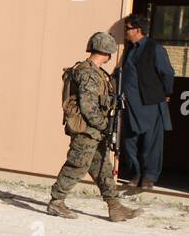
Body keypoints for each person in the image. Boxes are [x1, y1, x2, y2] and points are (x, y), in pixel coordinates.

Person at [48, 31, 139, 222]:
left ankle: (114, 206)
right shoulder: (88, 73)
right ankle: (56, 201)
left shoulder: (97, 73)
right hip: (87, 130)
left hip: (95, 130)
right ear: (105, 52)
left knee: (102, 168)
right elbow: (88, 107)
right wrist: (104, 125)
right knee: (77, 164)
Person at [119, 14, 175, 195]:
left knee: (151, 144)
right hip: (129, 105)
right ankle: (135, 175)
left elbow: (167, 72)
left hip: (150, 104)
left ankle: (149, 178)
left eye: (127, 28)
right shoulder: (129, 49)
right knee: (129, 143)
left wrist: (165, 93)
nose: (125, 32)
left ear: (137, 29)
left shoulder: (155, 48)